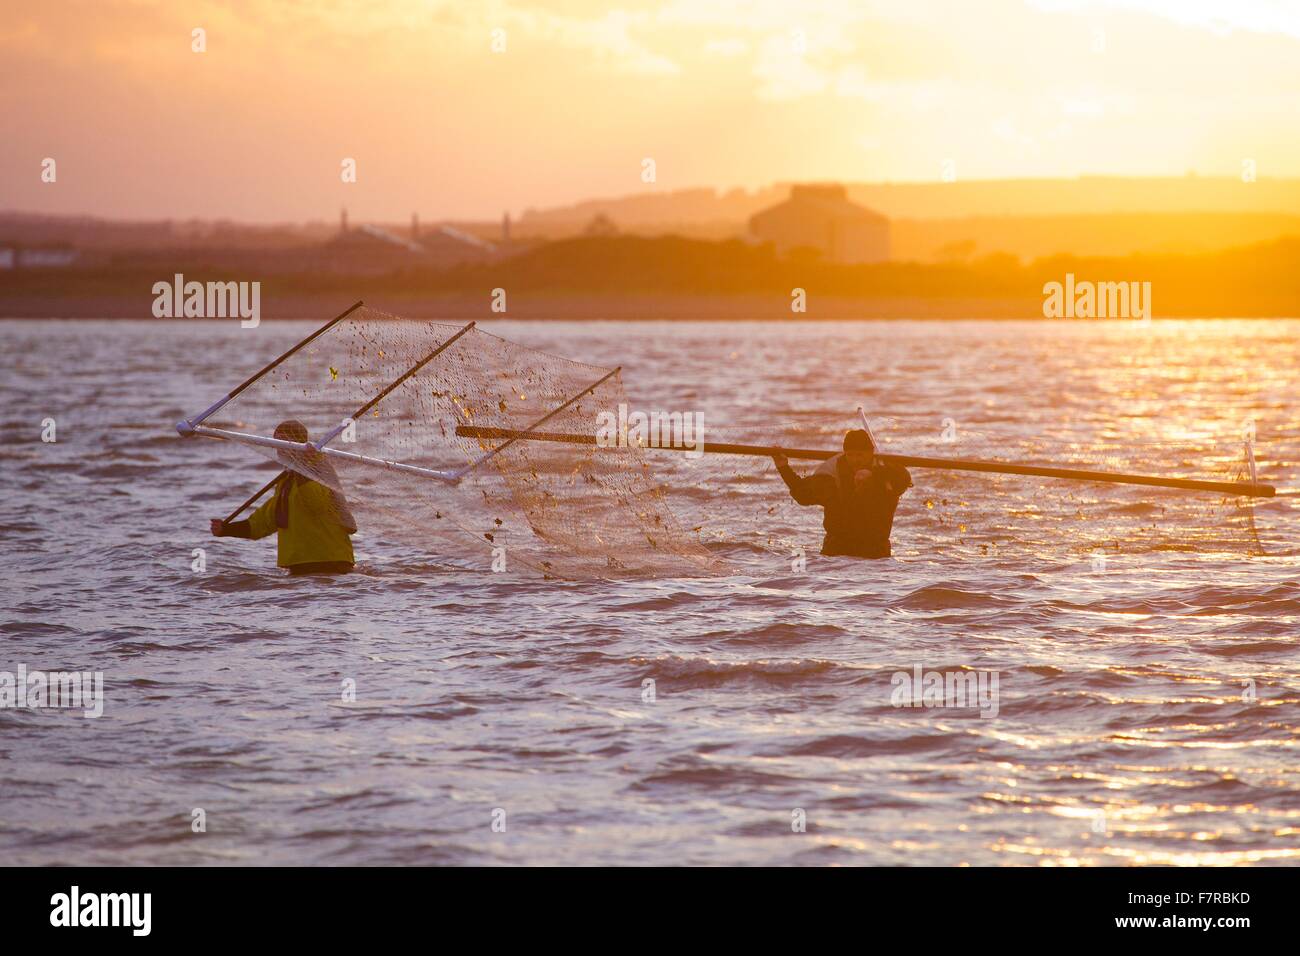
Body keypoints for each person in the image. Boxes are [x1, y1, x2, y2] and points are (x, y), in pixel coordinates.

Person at [211, 420, 358, 575]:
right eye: (277, 442)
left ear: (297, 443)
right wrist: (226, 529)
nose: (279, 449)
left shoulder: (319, 469)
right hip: (299, 565)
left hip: (330, 563)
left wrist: (302, 467)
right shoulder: (286, 481)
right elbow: (263, 523)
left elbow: (317, 504)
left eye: (284, 442)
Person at [773, 428, 911, 559]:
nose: (856, 460)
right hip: (836, 550)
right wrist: (783, 467)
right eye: (851, 455)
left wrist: (874, 475)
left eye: (860, 455)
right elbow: (802, 494)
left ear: (871, 453)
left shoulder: (888, 473)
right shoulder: (832, 475)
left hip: (875, 552)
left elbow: (904, 479)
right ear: (845, 454)